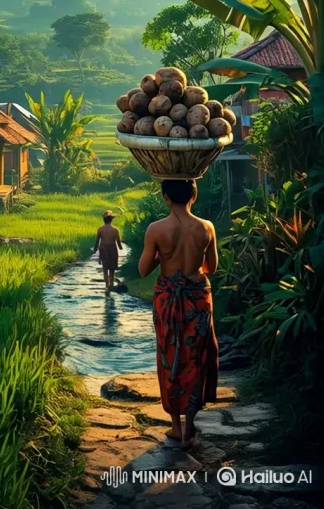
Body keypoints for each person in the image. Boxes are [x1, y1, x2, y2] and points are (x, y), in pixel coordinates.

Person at [138, 179, 219, 449]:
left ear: (165, 198)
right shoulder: (206, 227)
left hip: (167, 297)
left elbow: (143, 270)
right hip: (198, 297)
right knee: (197, 355)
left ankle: (175, 426)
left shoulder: (156, 229)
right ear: (194, 193)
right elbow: (212, 267)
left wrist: (165, 258)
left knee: (169, 352)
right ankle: (190, 428)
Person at [93, 210, 123, 293]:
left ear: (104, 220)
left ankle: (107, 286)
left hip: (103, 250)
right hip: (112, 250)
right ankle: (111, 286)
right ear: (111, 220)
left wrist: (95, 250)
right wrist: (121, 247)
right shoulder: (115, 230)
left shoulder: (100, 229)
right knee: (112, 269)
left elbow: (97, 242)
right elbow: (119, 244)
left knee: (105, 269)